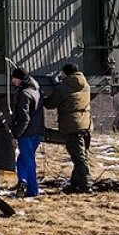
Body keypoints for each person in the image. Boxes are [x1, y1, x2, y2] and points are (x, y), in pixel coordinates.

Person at [45, 62, 93, 194]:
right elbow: (71, 94)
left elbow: (50, 104)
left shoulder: (63, 87)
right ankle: (75, 184)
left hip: (72, 126)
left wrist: (55, 87)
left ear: (65, 73)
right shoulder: (85, 84)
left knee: (79, 158)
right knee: (82, 156)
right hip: (86, 124)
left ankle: (86, 185)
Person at [8, 67, 44, 197]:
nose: (13, 81)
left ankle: (33, 190)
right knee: (22, 159)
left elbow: (24, 118)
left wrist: (16, 135)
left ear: (21, 79)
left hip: (27, 133)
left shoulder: (24, 94)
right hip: (37, 132)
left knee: (28, 160)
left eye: (14, 78)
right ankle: (22, 181)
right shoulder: (36, 91)